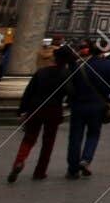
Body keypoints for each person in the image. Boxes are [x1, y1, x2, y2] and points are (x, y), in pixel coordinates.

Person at [10, 50, 72, 182]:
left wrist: (22, 110)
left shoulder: (41, 72)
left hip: (35, 107)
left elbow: (29, 91)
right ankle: (40, 171)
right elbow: (70, 93)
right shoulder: (66, 74)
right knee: (48, 142)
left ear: (54, 58)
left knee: (29, 138)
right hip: (53, 109)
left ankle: (19, 162)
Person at [66, 46, 110, 178]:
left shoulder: (79, 65)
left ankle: (72, 169)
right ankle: (86, 159)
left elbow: (69, 84)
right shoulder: (109, 65)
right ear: (103, 52)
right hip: (98, 105)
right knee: (93, 134)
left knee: (75, 137)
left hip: (78, 105)